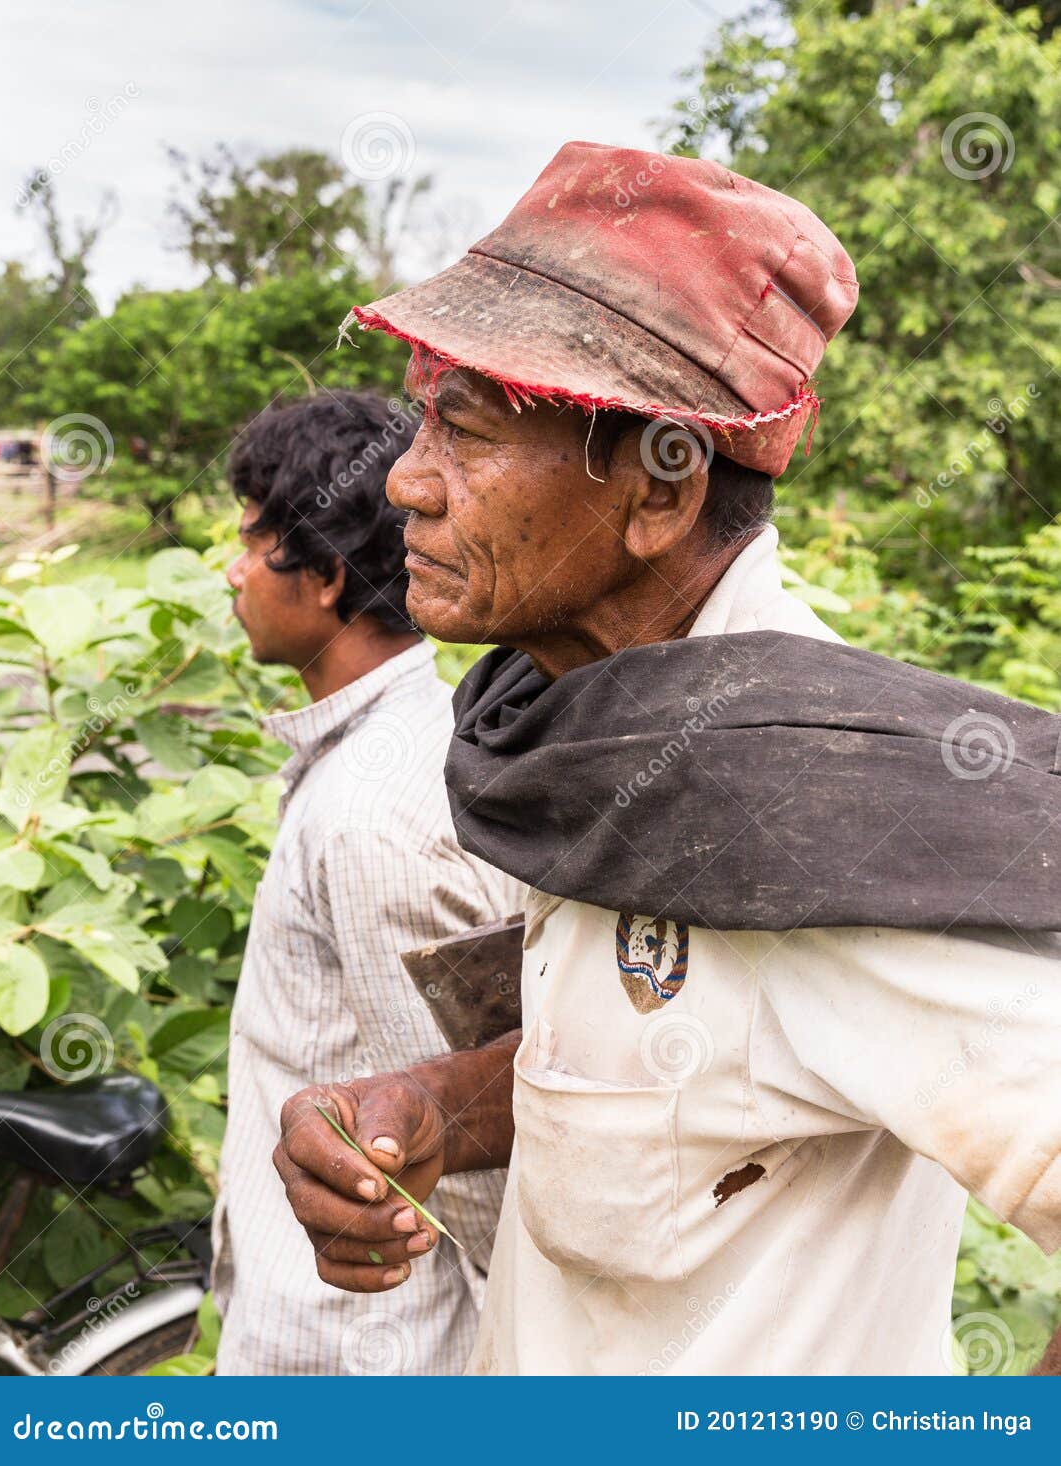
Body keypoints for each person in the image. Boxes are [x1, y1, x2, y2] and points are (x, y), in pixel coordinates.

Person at [272, 144, 1061, 1377]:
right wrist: (432, 1106)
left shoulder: (825, 815)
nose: (406, 482)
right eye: (422, 420)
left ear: (660, 491)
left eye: (464, 431)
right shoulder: (605, 737)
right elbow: (666, 1059)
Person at [213, 389, 524, 1376]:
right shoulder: (403, 739)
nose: (232, 572)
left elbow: (460, 1136)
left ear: (324, 576)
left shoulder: (370, 814)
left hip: (358, 1355)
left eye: (252, 542)